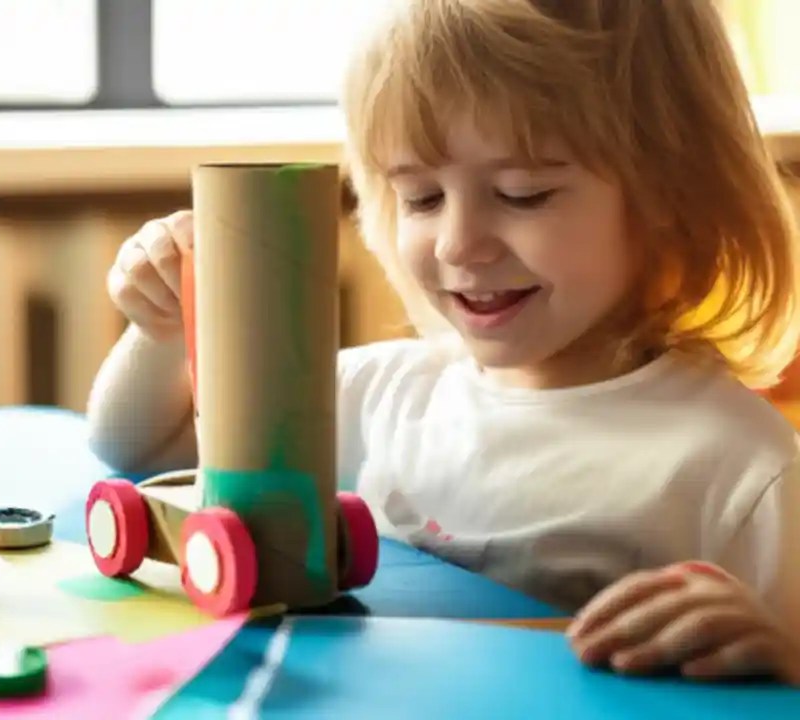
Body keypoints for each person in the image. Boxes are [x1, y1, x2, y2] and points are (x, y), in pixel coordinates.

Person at [84, 0, 800, 685]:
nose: (460, 244)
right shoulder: (384, 395)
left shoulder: (741, 472)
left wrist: (779, 657)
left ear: (672, 199)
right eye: (421, 198)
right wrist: (160, 332)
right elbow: (144, 448)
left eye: (523, 193)